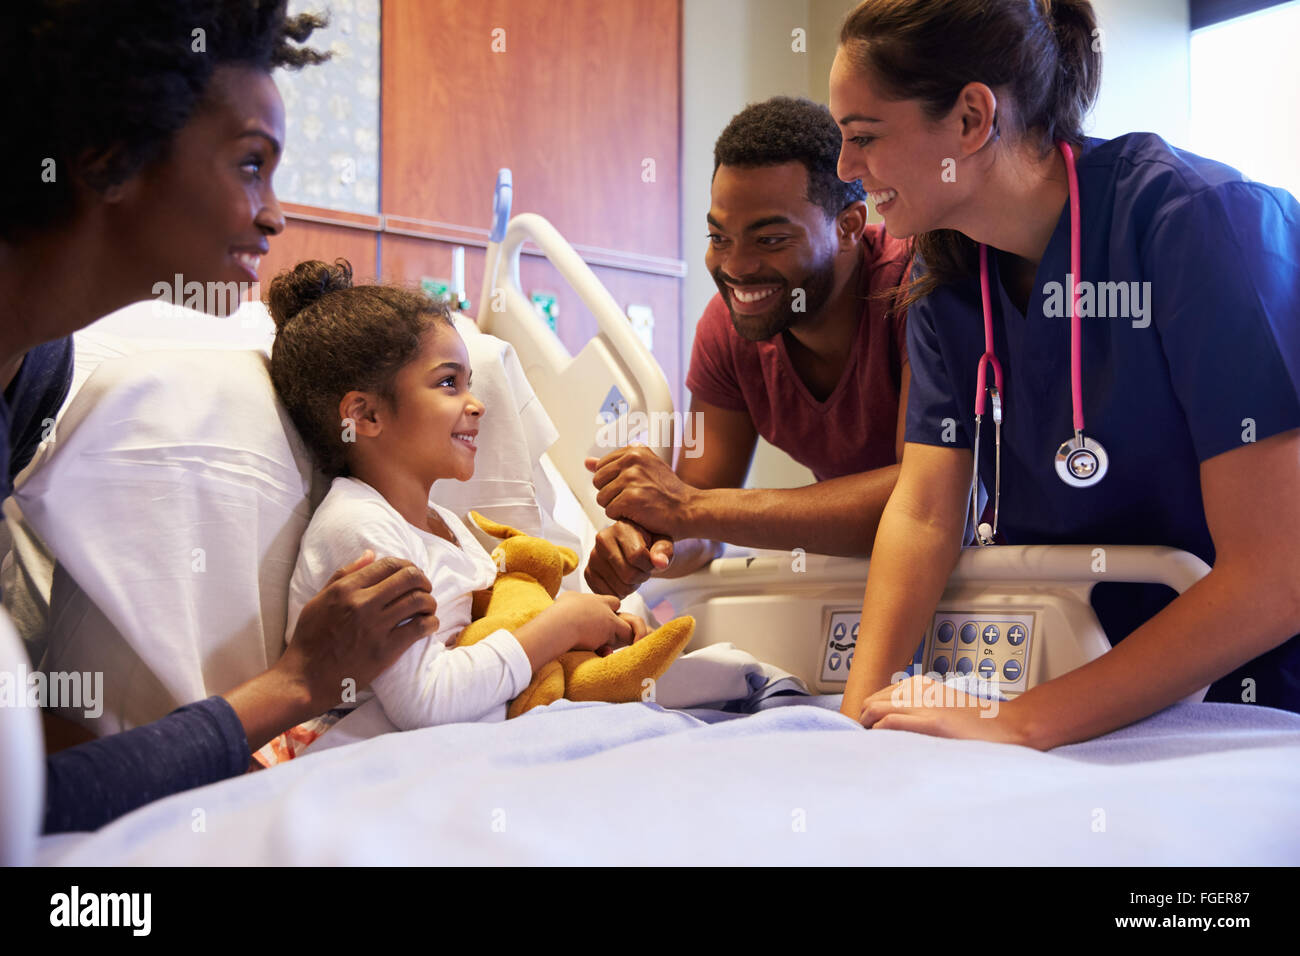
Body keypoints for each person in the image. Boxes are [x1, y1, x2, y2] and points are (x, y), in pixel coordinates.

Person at [0, 1, 439, 833]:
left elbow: (24, 759)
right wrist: (295, 684)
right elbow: (17, 808)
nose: (274, 213)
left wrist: (193, 754)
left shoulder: (33, 369)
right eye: (249, 165)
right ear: (109, 156)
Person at [830, 0, 1300, 745]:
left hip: (1257, 692)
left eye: (863, 138)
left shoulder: (1201, 225)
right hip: (1081, 676)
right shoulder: (947, 275)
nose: (846, 171)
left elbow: (1279, 573)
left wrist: (1023, 722)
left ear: (971, 119)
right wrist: (862, 717)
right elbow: (924, 513)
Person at [261, 260, 642, 754]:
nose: (477, 404)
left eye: (469, 383)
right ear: (367, 415)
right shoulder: (360, 530)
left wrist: (594, 630)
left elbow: (493, 631)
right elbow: (426, 702)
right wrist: (561, 625)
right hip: (362, 752)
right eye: (448, 383)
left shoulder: (445, 526)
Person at [585, 97, 913, 599]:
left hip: (1015, 567)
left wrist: (689, 508)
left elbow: (921, 499)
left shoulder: (915, 290)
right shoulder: (728, 330)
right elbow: (704, 518)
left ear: (848, 227)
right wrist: (648, 546)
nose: (735, 267)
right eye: (719, 237)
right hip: (871, 578)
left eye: (770, 240)